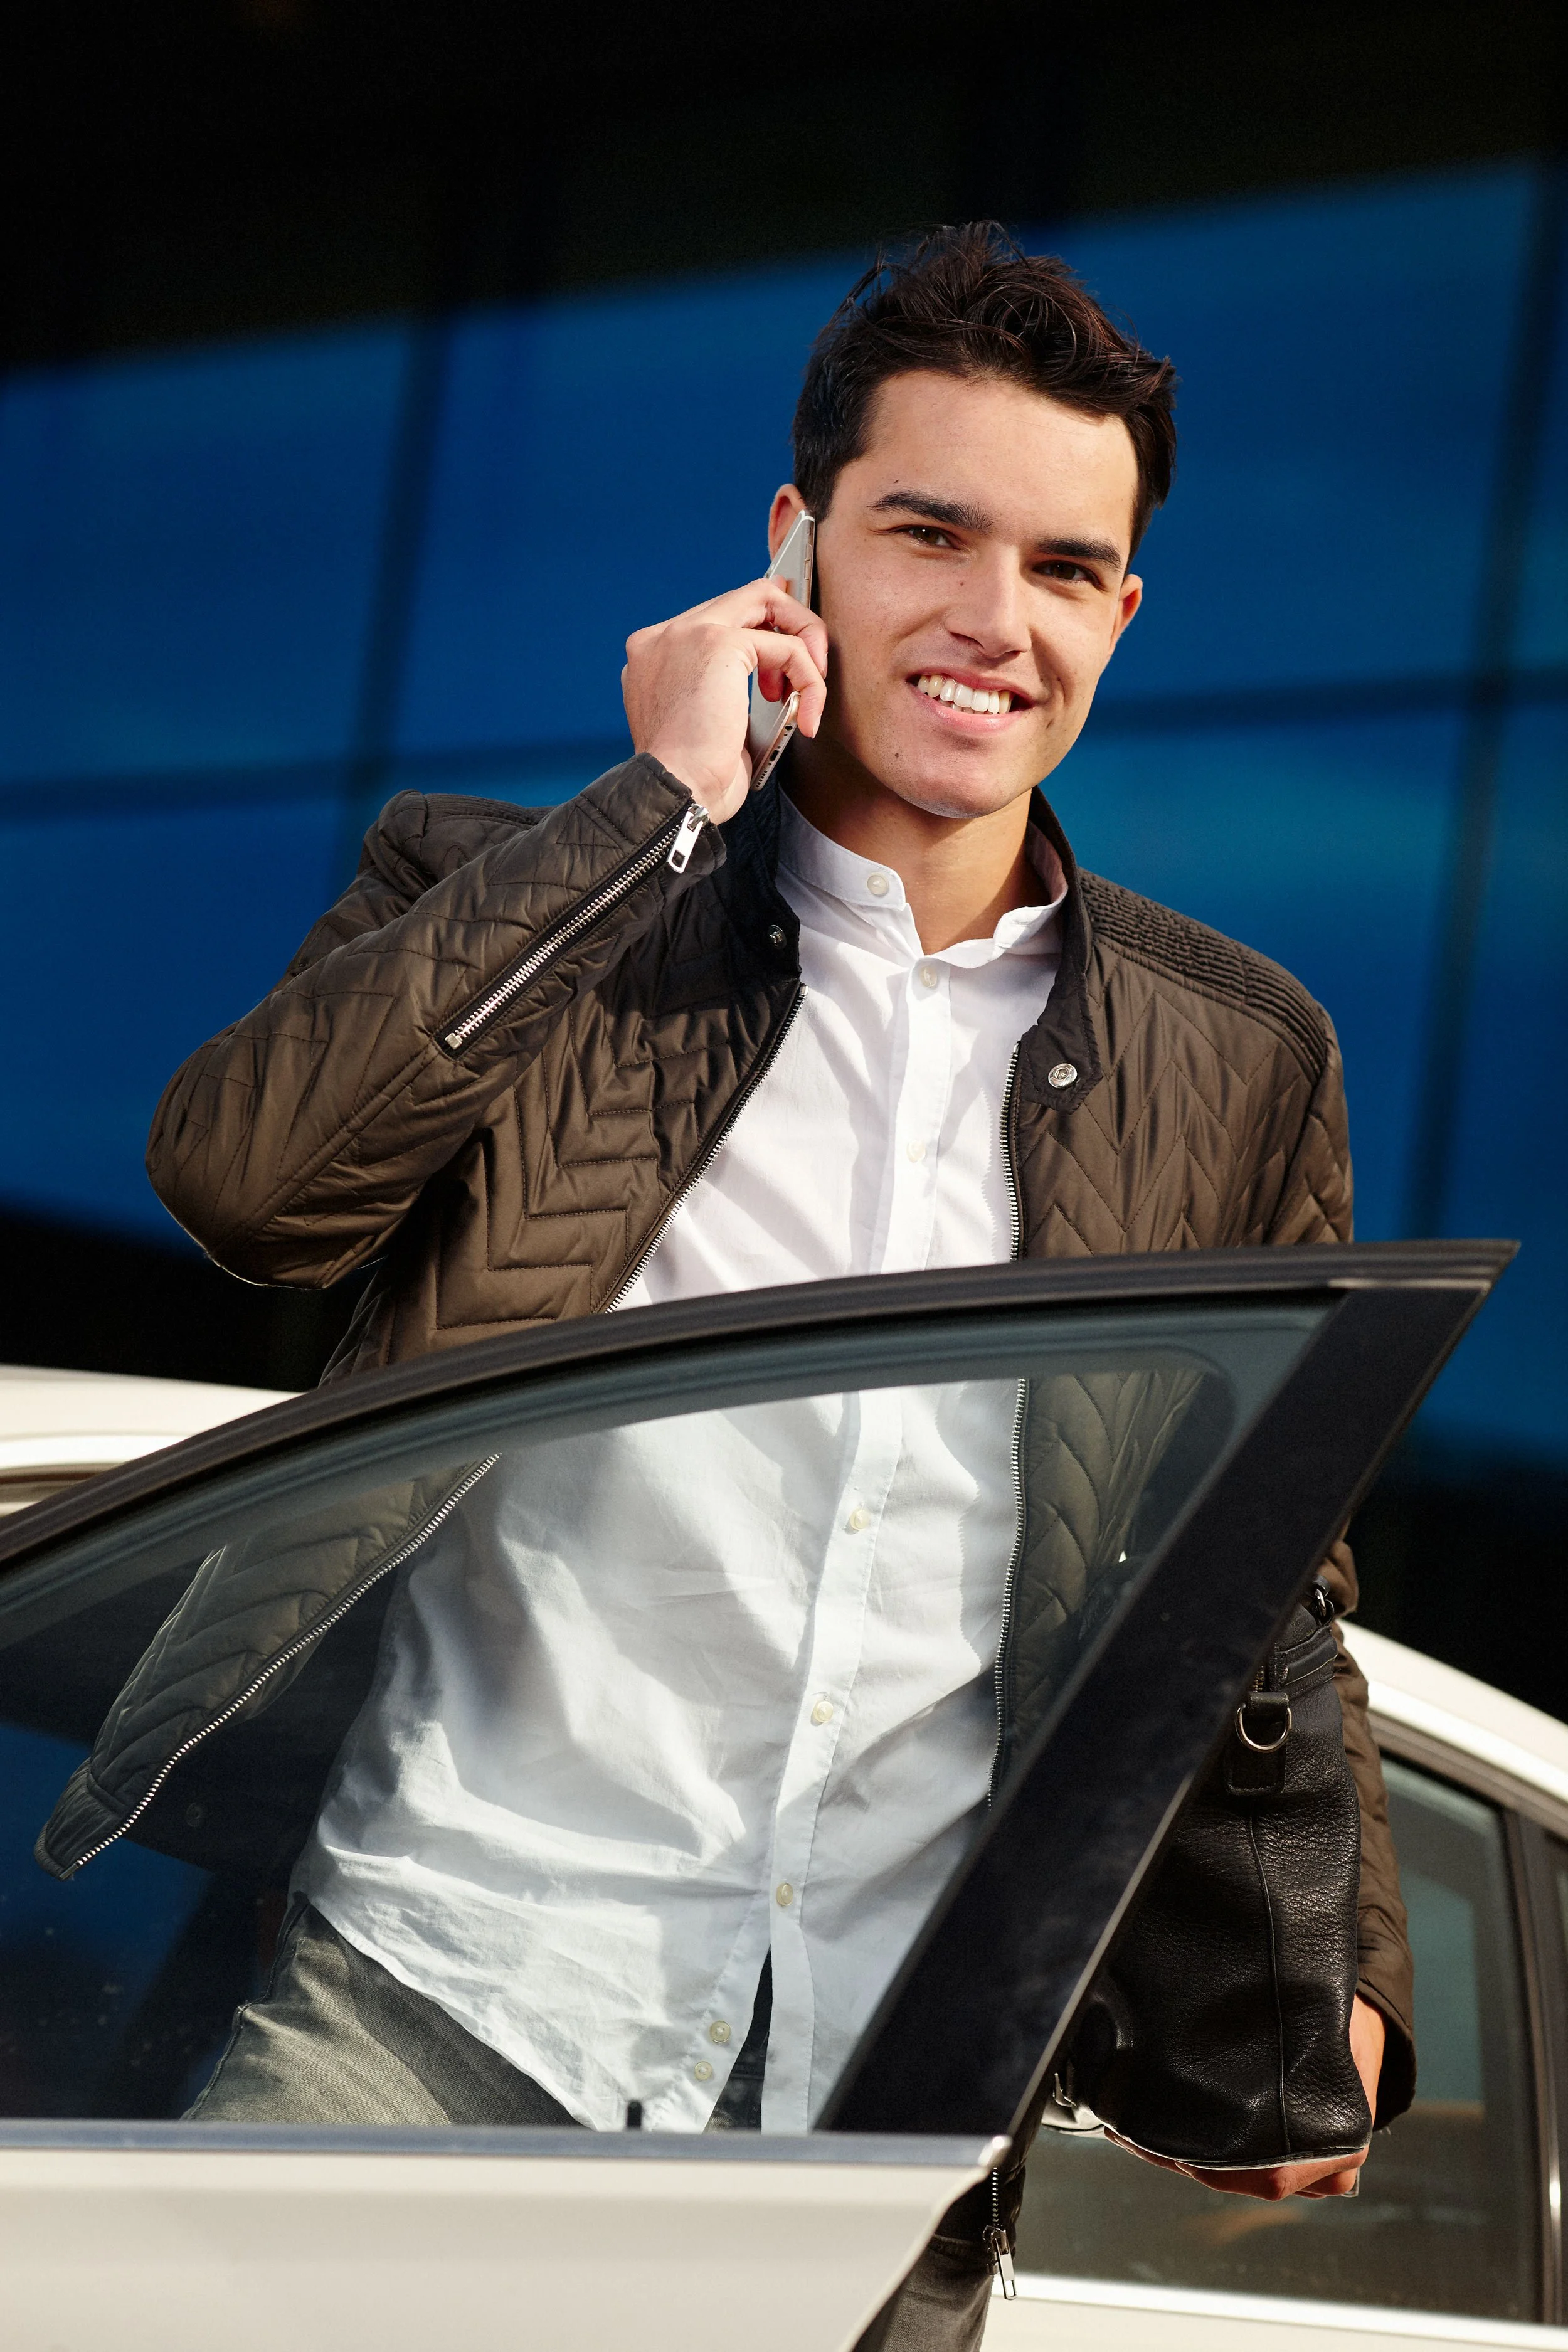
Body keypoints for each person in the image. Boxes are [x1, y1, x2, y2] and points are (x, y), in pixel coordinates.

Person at [125, 225, 1413, 2347]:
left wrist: (1329, 1978)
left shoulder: (1235, 1055)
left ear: (1125, 608)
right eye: (928, 533)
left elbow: (1273, 1559)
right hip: (430, 2014)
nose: (995, 621)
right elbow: (245, 1188)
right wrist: (654, 807)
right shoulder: (497, 890)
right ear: (793, 544)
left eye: (1066, 568)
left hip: (877, 2135)